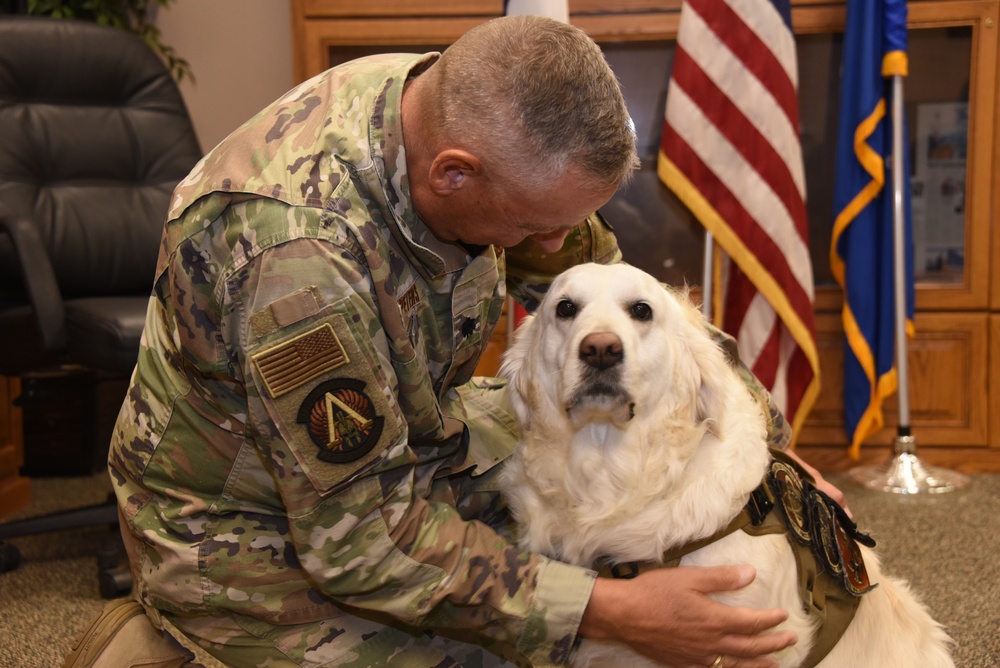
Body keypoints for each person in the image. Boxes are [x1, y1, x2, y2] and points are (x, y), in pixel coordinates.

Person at [65, 14, 846, 668]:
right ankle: (163, 639)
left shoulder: (464, 109)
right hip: (255, 519)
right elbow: (362, 544)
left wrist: (761, 440)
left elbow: (622, 286)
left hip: (409, 435)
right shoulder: (296, 260)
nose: (556, 241)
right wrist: (609, 613)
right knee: (496, 650)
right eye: (537, 228)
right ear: (455, 176)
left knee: (593, 488)